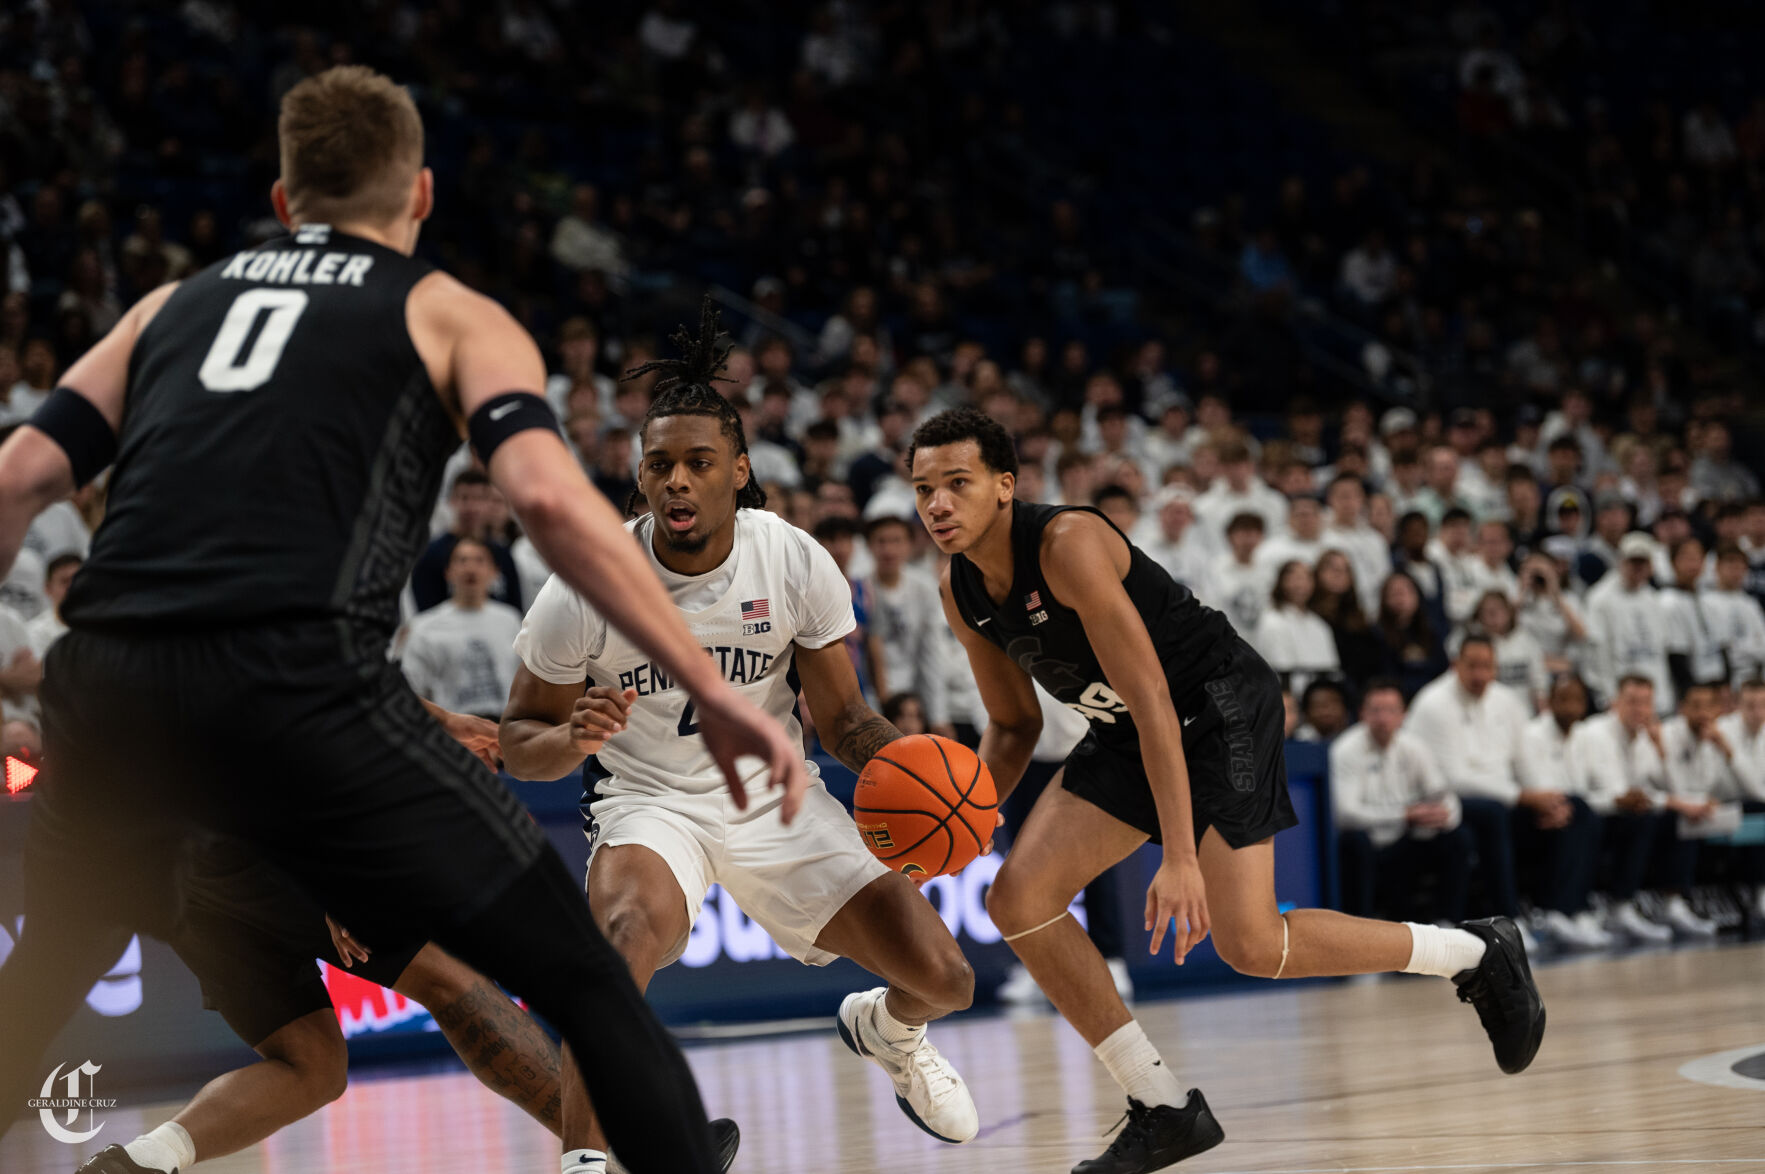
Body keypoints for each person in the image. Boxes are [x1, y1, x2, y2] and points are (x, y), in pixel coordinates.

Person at [0, 67, 807, 1174]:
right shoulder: (443, 308)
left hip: (111, 686)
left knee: (45, 976)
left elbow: (15, 480)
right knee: (580, 971)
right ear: (420, 195)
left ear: (283, 201)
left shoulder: (167, 306)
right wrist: (712, 689)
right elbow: (549, 501)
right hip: (293, 693)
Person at [911, 408, 1543, 1174]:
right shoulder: (962, 589)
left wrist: (1178, 855)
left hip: (1218, 706)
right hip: (1126, 732)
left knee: (1249, 944)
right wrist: (962, 820)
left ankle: (1474, 951)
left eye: (957, 483)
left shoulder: (1067, 543)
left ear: (1005, 486)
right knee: (1015, 899)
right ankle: (1162, 1106)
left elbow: (1150, 697)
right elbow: (1011, 726)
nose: (937, 504)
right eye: (923, 490)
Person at [500, 323, 979, 1174]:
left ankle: (888, 1031)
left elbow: (842, 720)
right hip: (650, 802)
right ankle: (581, 1164)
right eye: (658, 465)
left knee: (947, 979)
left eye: (697, 462)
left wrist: (905, 763)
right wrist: (569, 738)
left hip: (774, 796)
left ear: (740, 470)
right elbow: (516, 743)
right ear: (639, 475)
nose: (676, 480)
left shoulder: (791, 558)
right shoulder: (585, 580)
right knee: (613, 945)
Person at [1405, 637, 1563, 933]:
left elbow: (1524, 760)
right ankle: (1508, 919)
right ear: (1456, 666)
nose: (1480, 675)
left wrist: (1546, 797)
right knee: (1493, 814)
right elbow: (1453, 779)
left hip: (1503, 796)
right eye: (1472, 666)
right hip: (1442, 800)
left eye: (1486, 667)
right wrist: (1523, 796)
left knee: (1572, 809)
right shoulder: (1433, 704)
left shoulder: (1507, 701)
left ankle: (1560, 911)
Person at [1330, 680, 1472, 924]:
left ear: (1403, 715)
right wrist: (1404, 815)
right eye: (1375, 710)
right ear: (1362, 713)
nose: (1383, 718)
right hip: (1369, 842)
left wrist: (1444, 816)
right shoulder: (1345, 750)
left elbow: (1444, 795)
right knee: (1357, 842)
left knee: (1458, 837)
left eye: (1391, 710)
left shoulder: (1414, 746)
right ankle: (1363, 929)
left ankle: (1449, 922)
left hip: (1405, 839)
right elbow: (1345, 814)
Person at [1513, 676, 1611, 948]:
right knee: (1580, 812)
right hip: (1532, 815)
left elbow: (1602, 785)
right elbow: (1538, 786)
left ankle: (1576, 910)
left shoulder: (1586, 736)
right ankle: (1559, 910)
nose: (1570, 707)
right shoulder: (1532, 734)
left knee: (1587, 813)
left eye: (1577, 700)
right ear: (1549, 702)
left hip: (1572, 813)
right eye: (1563, 699)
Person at [397, 536, 525, 718]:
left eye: (479, 560)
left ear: (495, 572)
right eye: (462, 560)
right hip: (453, 730)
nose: (470, 569)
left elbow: (525, 684)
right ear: (448, 572)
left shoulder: (510, 620)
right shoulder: (425, 627)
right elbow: (412, 689)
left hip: (503, 729)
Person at [864, 514, 953, 737]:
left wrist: (938, 715)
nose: (888, 549)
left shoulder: (924, 589)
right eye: (881, 541)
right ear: (869, 546)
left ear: (910, 545)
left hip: (912, 704)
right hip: (867, 698)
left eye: (896, 541)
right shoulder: (857, 588)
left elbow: (931, 653)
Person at [411, 468, 524, 612]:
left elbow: (515, 607)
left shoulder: (502, 554)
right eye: (464, 498)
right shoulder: (431, 554)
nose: (471, 507)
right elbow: (424, 611)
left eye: (479, 498)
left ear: (489, 502)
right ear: (452, 500)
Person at [1585, 532, 1674, 711]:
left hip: (1656, 700)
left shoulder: (1653, 599)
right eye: (1633, 561)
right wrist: (1607, 697)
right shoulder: (1600, 599)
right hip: (1619, 701)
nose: (1637, 568)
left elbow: (1661, 651)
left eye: (1643, 562)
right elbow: (1595, 652)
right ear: (1621, 561)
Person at [1253, 559, 1340, 694]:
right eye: (1294, 578)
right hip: (1285, 698)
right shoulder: (1272, 620)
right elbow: (1282, 670)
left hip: (1320, 697)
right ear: (1281, 582)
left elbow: (1332, 669)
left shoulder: (1320, 625)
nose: (1301, 584)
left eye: (1306, 578)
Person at [1372, 571, 1448, 699]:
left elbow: (1443, 671)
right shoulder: (1376, 635)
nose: (1401, 597)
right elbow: (1383, 678)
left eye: (1406, 592)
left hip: (1432, 698)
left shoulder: (1431, 632)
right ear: (1384, 599)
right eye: (1395, 593)